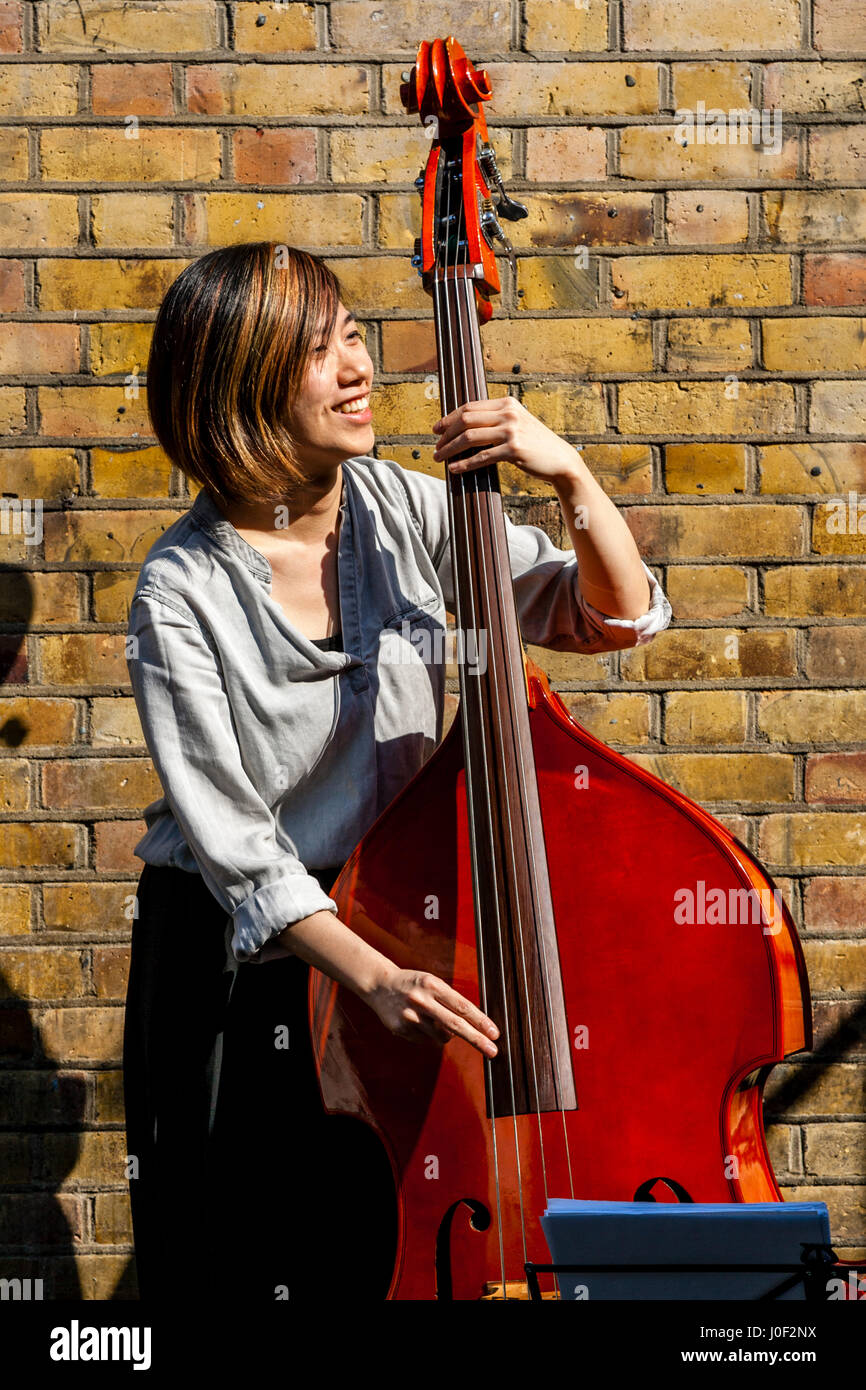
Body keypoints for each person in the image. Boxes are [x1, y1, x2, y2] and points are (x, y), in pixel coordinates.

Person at [121, 240, 673, 1302]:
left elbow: (601, 614)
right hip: (244, 964)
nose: (357, 368)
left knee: (381, 1245)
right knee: (242, 1266)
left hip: (392, 937)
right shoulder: (177, 593)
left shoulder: (404, 509)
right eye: (318, 352)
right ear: (237, 385)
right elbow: (242, 856)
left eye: (355, 337)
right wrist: (369, 976)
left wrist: (570, 477)